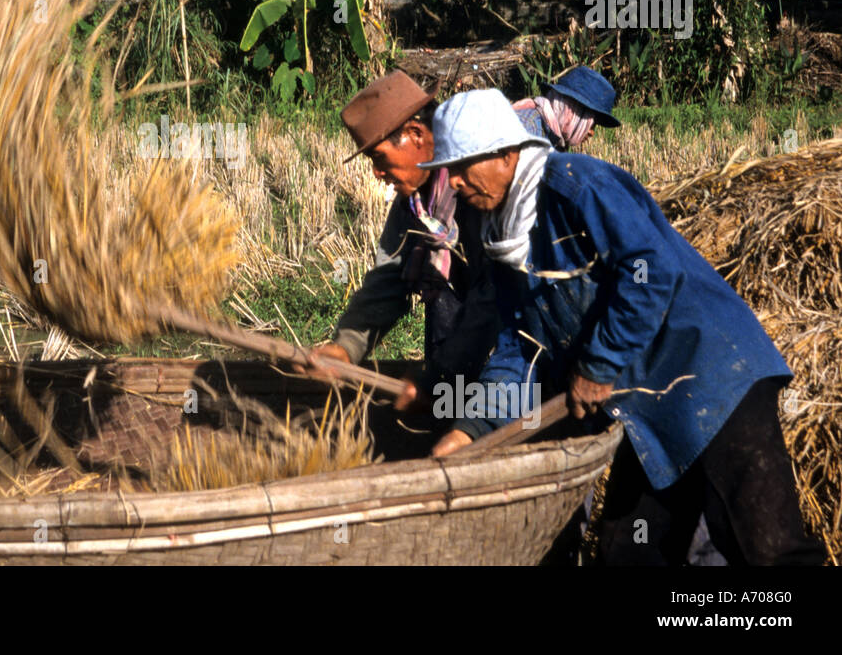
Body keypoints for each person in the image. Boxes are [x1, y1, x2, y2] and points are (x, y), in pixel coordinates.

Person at [410, 88, 822, 565]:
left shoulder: (576, 186)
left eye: (464, 166)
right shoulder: (500, 238)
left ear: (505, 153)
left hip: (711, 375)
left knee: (767, 548)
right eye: (449, 171)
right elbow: (519, 350)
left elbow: (650, 270)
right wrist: (469, 431)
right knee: (630, 551)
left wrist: (598, 364)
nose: (454, 183)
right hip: (648, 405)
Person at [299, 69, 499, 415]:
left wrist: (443, 373)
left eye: (378, 158)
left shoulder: (482, 181)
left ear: (416, 134)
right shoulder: (415, 203)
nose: (376, 173)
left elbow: (498, 292)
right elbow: (389, 277)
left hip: (512, 346)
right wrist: (345, 348)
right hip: (456, 342)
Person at [513, 65, 620, 150]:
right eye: (593, 124)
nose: (592, 133)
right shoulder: (525, 131)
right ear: (573, 112)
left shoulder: (551, 137)